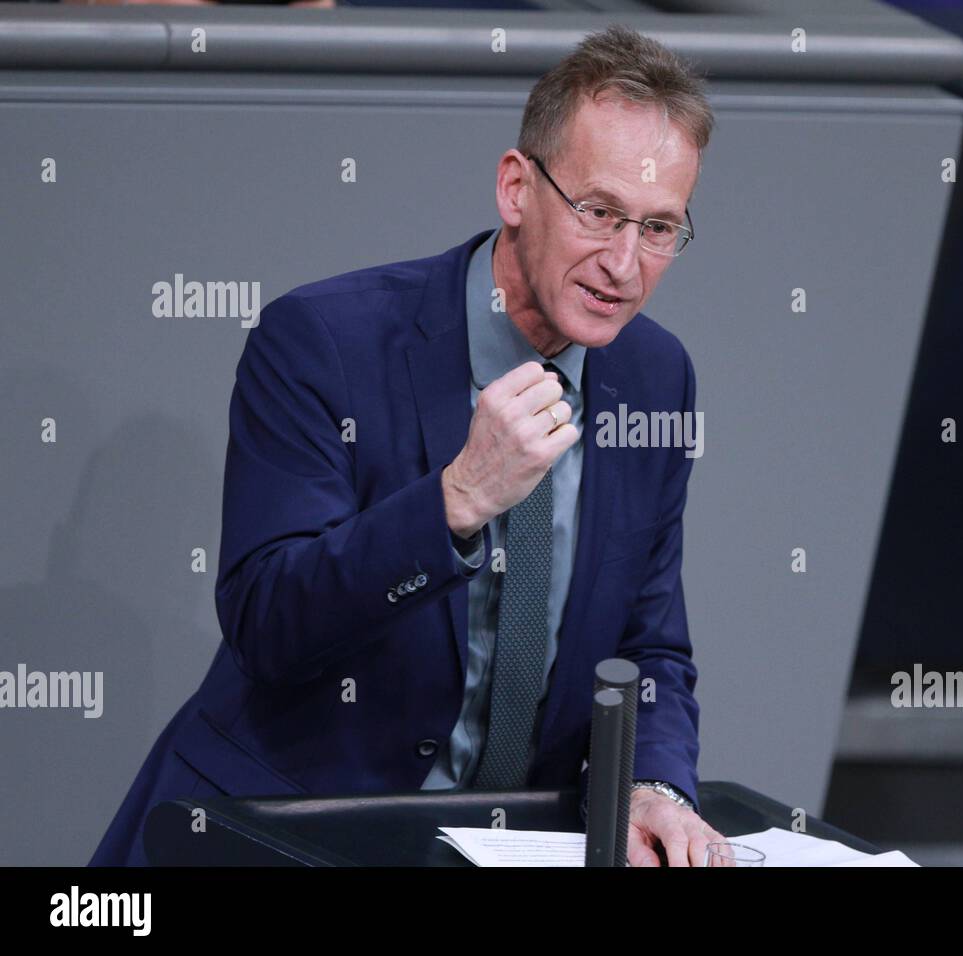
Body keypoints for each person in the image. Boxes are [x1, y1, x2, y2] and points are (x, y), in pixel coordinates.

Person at [90, 24, 725, 867]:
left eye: (658, 229)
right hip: (281, 835)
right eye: (600, 212)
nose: (624, 264)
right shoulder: (324, 341)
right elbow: (269, 625)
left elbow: (648, 647)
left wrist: (656, 784)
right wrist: (455, 500)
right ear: (515, 187)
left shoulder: (655, 378)